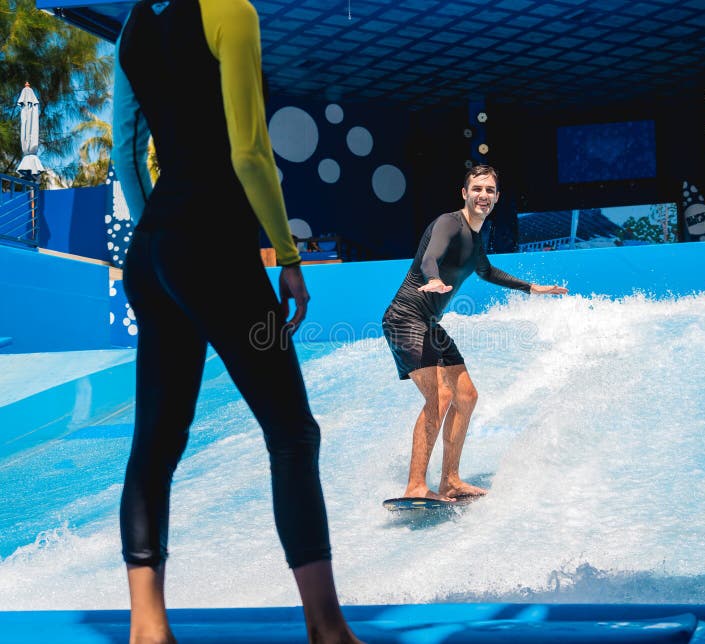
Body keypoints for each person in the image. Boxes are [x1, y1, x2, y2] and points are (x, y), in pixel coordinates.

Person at [111, 1, 361, 642]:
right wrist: (288, 254)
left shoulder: (134, 28)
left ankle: (147, 628)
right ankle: (327, 628)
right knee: (293, 433)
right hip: (215, 247)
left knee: (155, 446)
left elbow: (124, 151)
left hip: (155, 253)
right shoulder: (232, 11)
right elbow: (250, 151)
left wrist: (158, 235)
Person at [382, 165, 568, 502]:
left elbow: (486, 270)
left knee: (466, 396)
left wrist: (531, 288)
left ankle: (450, 480)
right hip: (405, 319)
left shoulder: (476, 236)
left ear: (497, 197)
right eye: (477, 189)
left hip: (428, 324)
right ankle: (415, 486)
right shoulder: (448, 223)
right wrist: (433, 278)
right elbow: (430, 257)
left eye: (490, 191)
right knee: (438, 397)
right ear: (464, 193)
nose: (483, 195)